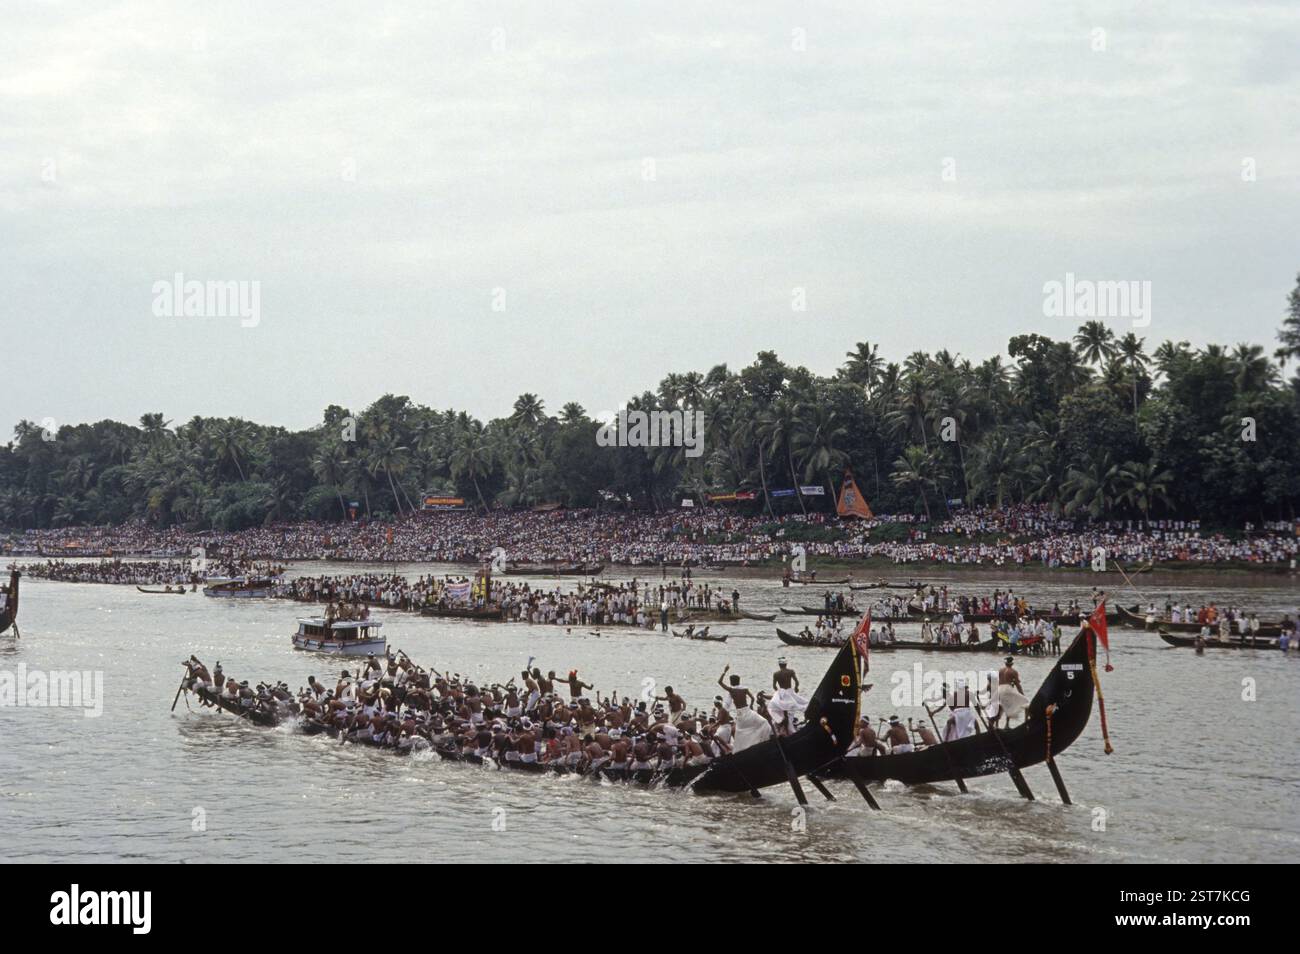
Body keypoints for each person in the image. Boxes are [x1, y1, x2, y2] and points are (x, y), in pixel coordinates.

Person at [717, 665, 771, 752]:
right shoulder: (744, 689)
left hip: (740, 714)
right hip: (748, 711)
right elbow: (752, 698)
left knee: (741, 733)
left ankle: (742, 749)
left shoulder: (731, 690)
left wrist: (725, 671)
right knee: (764, 722)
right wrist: (751, 705)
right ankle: (763, 740)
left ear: (731, 682)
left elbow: (719, 682)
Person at [767, 658, 808, 735]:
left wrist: (778, 693)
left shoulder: (776, 674)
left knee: (780, 709)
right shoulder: (791, 672)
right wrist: (796, 688)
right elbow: (797, 682)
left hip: (782, 692)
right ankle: (790, 727)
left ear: (779, 665)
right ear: (786, 664)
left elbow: (774, 686)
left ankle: (784, 727)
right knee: (798, 706)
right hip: (790, 692)